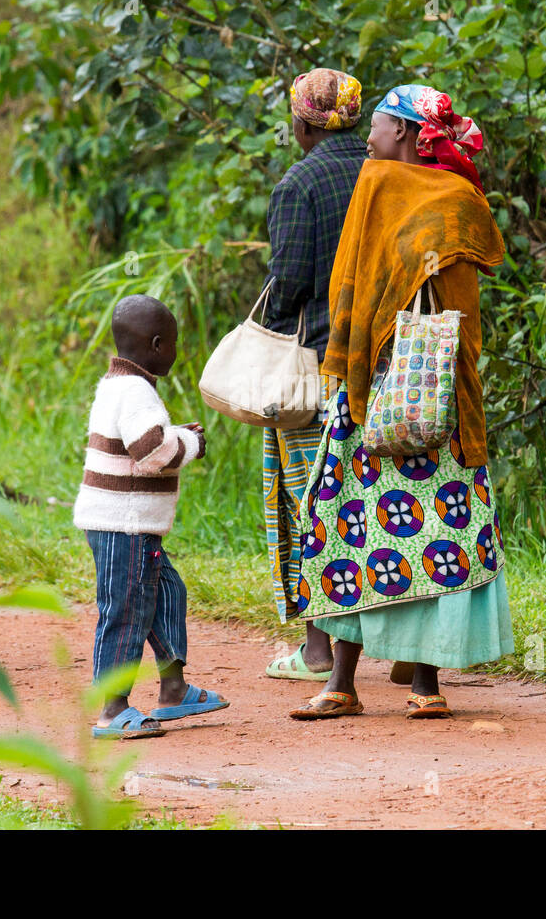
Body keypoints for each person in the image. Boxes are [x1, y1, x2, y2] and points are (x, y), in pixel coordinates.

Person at [289, 84, 514, 720]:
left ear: (413, 134)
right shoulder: (381, 181)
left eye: (384, 123)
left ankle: (422, 683)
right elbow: (362, 277)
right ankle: (344, 682)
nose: (372, 134)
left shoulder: (421, 192)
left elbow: (367, 284)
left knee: (378, 524)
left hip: (410, 385)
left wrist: (374, 350)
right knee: (357, 523)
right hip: (398, 385)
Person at [74, 295, 230, 738]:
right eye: (174, 344)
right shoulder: (136, 392)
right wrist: (189, 442)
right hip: (124, 525)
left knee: (165, 594)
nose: (177, 353)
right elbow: (150, 451)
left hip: (131, 525)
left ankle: (174, 688)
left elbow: (140, 442)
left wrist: (173, 434)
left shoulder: (117, 385)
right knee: (125, 610)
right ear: (158, 345)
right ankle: (112, 708)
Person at [261, 68, 367, 682]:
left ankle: (317, 650)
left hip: (319, 366)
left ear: (302, 123)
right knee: (371, 500)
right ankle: (405, 649)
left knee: (307, 498)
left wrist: (272, 321)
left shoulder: (300, 182)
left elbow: (291, 280)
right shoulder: (388, 170)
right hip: (385, 362)